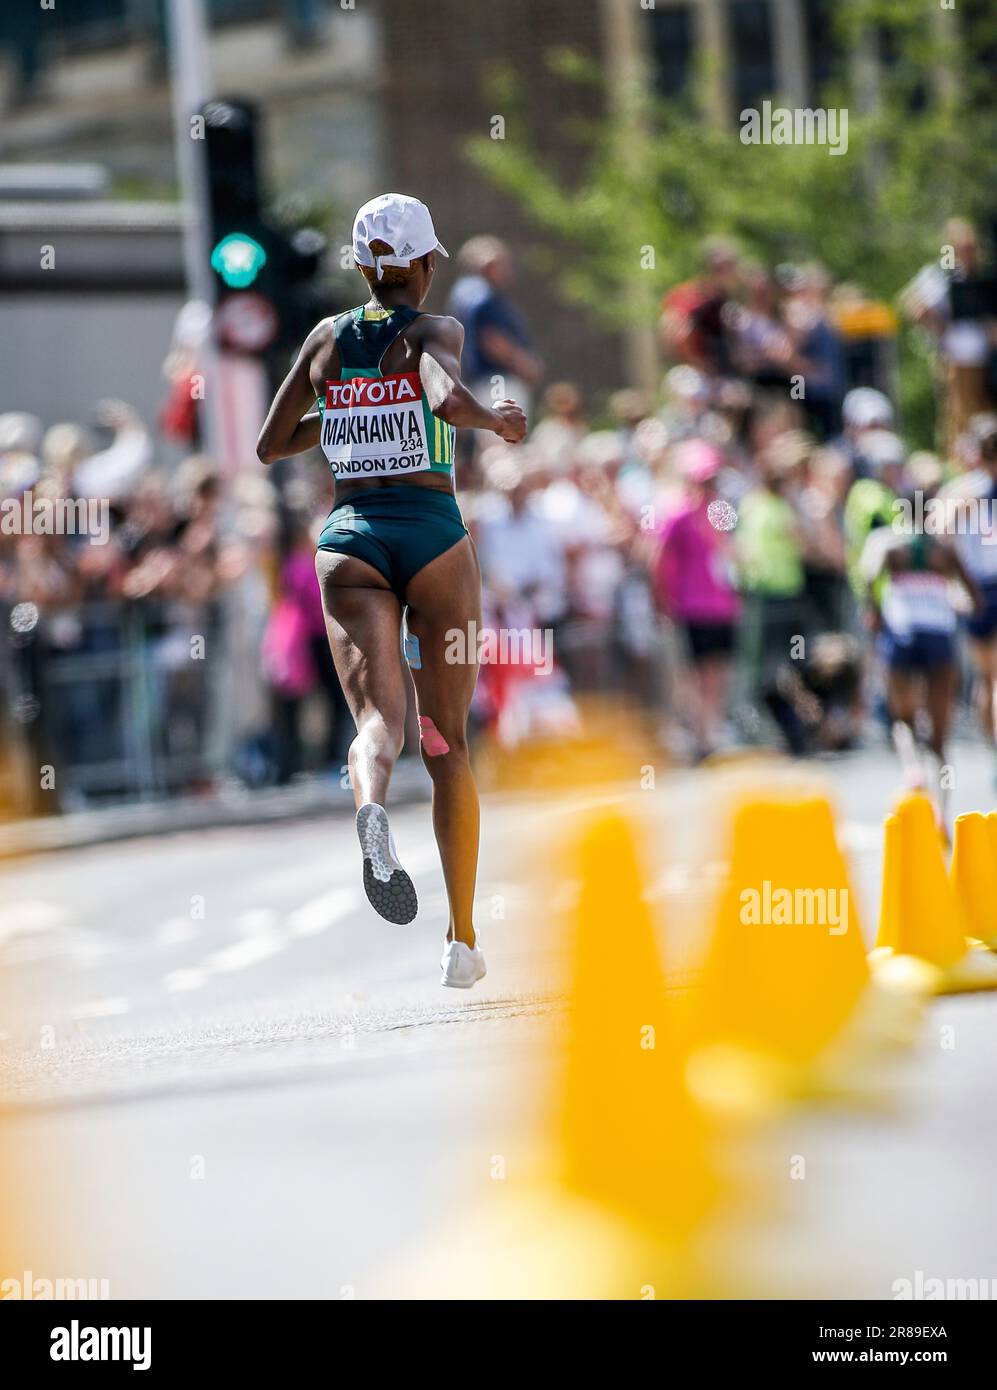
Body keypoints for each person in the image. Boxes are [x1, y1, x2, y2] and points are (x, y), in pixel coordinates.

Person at [257, 193, 526, 988]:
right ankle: (461, 940)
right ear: (417, 265)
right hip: (431, 537)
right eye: (432, 259)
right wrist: (497, 422)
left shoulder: (323, 340)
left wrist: (341, 410)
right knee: (447, 743)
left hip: (349, 544)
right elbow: (443, 396)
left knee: (379, 721)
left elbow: (274, 444)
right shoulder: (435, 332)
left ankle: (370, 805)